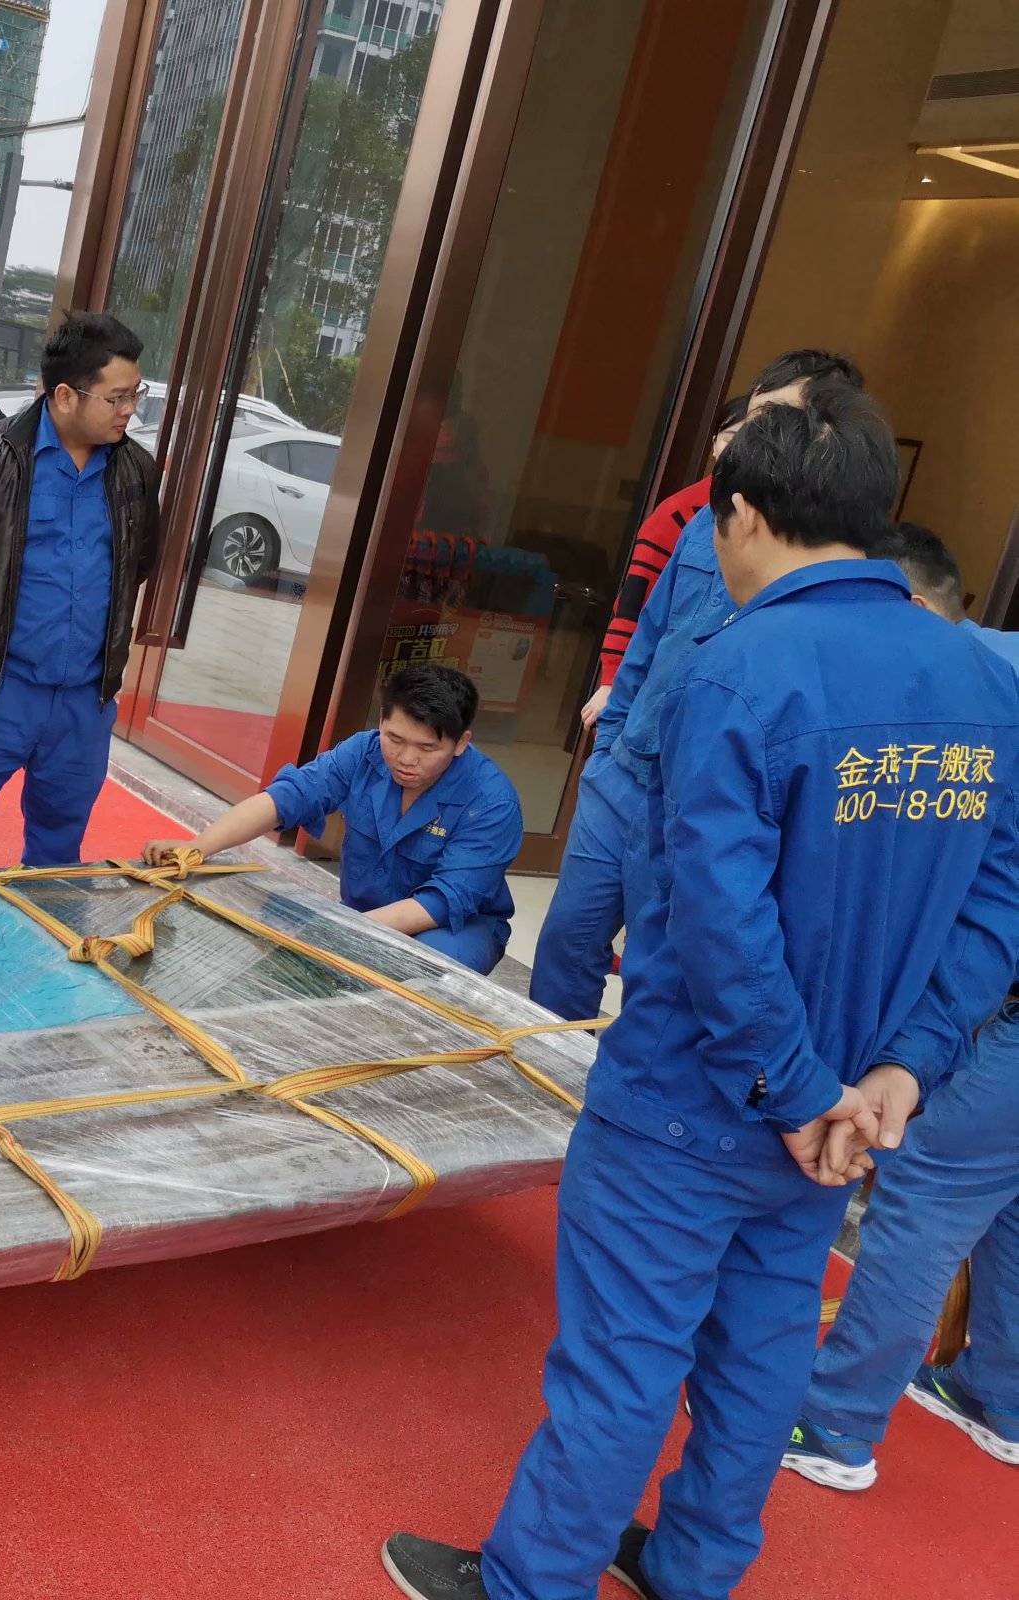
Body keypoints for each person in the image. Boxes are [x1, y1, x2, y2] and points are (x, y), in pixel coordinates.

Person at [380, 381, 1019, 1600]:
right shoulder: (980, 683)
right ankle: (690, 1570)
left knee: (624, 1357)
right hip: (838, 1115)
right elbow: (997, 903)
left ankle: (532, 1581)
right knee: (758, 1355)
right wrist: (896, 1071)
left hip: (698, 1097)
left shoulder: (738, 670)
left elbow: (710, 919)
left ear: (742, 517)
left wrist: (796, 1085)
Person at [778, 522, 1019, 1492]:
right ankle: (997, 1392)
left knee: (928, 1187)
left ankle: (834, 1422)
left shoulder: (976, 683)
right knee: (1006, 1195)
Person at [528, 350, 862, 1022]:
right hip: (625, 773)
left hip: (701, 799)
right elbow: (648, 638)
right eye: (758, 416)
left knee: (661, 969)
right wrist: (613, 741)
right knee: (567, 943)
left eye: (783, 421)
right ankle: (542, 1063)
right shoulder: (702, 527)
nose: (757, 437)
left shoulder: (824, 564)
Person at [0, 313, 160, 870]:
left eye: (134, 394)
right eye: (117, 397)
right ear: (65, 395)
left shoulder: (137, 471)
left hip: (84, 703)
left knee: (57, 860)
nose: (129, 410)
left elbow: (137, 565)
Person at [141, 664, 521, 975]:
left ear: (461, 743)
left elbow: (443, 901)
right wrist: (197, 847)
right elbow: (288, 797)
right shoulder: (363, 752)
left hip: (454, 929)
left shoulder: (491, 801)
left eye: (427, 748)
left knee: (420, 970)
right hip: (361, 912)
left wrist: (340, 934)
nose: (406, 759)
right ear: (382, 722)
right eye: (395, 739)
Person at [580, 394, 749, 727]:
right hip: (661, 687)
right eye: (730, 437)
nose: (738, 449)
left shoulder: (777, 516)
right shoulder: (677, 514)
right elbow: (633, 601)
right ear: (714, 444)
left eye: (750, 438)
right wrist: (611, 681)